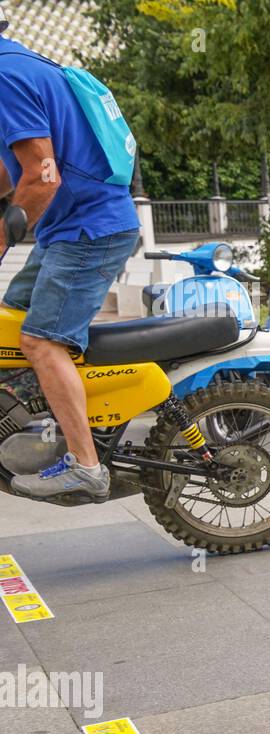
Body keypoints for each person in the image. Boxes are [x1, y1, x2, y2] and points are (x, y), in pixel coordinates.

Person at [0, 27, 140, 500]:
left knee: (40, 340)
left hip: (90, 231)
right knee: (10, 319)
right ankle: (38, 421)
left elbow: (42, 177)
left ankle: (86, 465)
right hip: (71, 230)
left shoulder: (5, 74)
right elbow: (14, 167)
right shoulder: (26, 65)